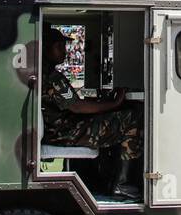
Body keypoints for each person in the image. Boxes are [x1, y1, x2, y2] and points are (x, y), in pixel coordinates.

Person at [40, 28, 143, 199]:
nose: (64, 50)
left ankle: (107, 180)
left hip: (62, 130)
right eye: (58, 46)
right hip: (66, 132)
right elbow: (77, 107)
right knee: (132, 117)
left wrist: (106, 104)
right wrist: (114, 103)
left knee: (116, 116)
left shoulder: (45, 73)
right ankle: (122, 185)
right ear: (46, 48)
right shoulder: (52, 77)